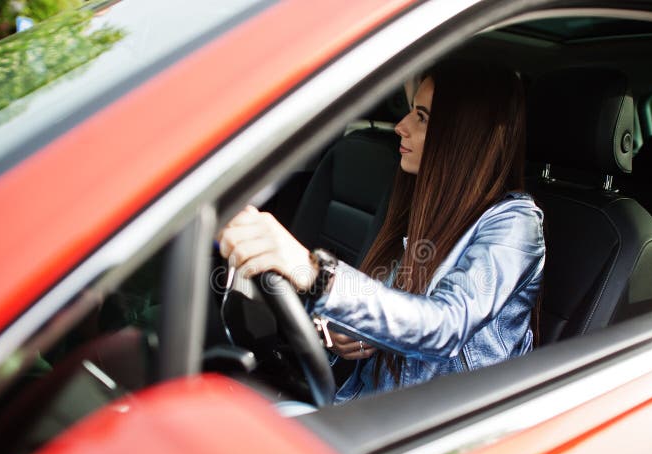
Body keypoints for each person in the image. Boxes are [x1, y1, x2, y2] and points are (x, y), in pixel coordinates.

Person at [218, 58, 545, 404]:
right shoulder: (421, 206)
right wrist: (346, 333)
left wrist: (316, 273)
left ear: (465, 133)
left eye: (422, 117)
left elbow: (446, 325)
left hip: (446, 426)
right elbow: (389, 307)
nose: (400, 126)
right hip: (367, 406)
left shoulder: (515, 224)